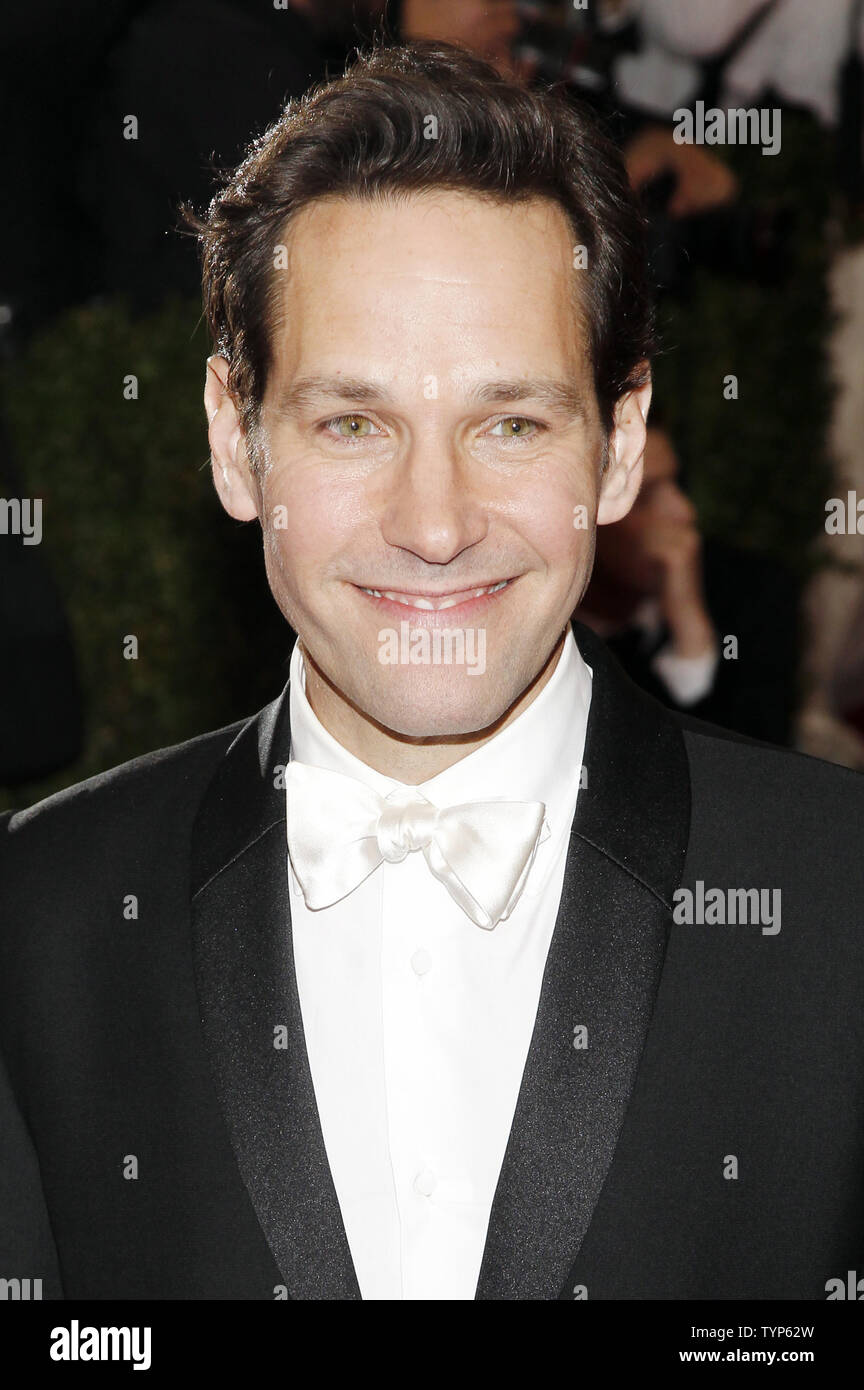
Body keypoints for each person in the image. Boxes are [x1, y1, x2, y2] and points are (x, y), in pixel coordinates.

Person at [1, 42, 862, 1303]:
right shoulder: (40, 919)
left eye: (509, 423)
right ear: (235, 444)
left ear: (619, 448)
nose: (436, 520)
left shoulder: (839, 898)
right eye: (353, 423)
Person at [577, 419, 800, 743]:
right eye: (642, 498)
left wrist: (690, 635)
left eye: (677, 484)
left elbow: (757, 767)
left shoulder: (752, 591)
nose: (683, 511)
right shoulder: (544, 624)